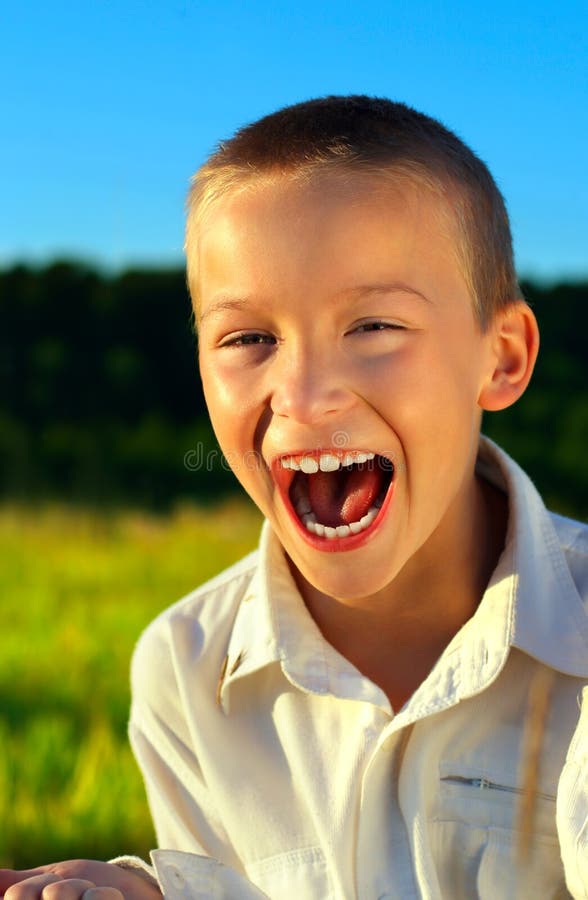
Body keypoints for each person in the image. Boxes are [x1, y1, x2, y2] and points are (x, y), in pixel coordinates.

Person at [1, 96, 586, 900]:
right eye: (249, 339)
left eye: (375, 326)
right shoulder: (184, 668)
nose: (304, 396)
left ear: (503, 358)